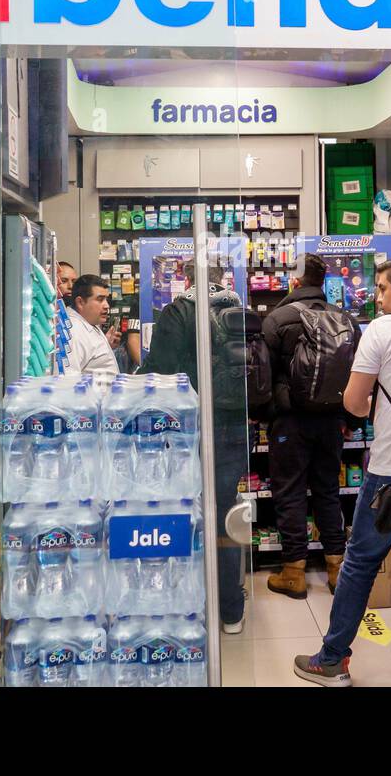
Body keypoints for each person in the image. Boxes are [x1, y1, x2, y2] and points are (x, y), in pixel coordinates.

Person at [293, 256, 391, 686]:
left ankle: (333, 659)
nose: (377, 297)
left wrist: (374, 407)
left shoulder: (382, 328)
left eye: (382, 289)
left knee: (360, 563)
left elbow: (354, 402)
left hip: (390, 466)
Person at [140, 258, 255, 633]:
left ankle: (188, 603)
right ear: (224, 279)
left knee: (184, 511)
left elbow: (160, 370)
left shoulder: (178, 312)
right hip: (236, 425)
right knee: (224, 513)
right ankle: (231, 611)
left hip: (190, 428)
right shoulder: (241, 312)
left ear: (185, 279)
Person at [261, 253, 351, 600]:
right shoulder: (343, 318)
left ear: (295, 281)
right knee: (328, 490)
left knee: (290, 492)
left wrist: (267, 414)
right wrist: (350, 420)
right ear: (323, 281)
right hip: (331, 419)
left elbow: (263, 375)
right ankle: (336, 568)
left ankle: (294, 573)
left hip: (291, 421)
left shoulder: (278, 318)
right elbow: (354, 372)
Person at [65, 274, 119, 374]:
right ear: (80, 302)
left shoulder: (88, 322)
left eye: (106, 299)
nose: (107, 305)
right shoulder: (73, 332)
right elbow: (68, 379)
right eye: (100, 299)